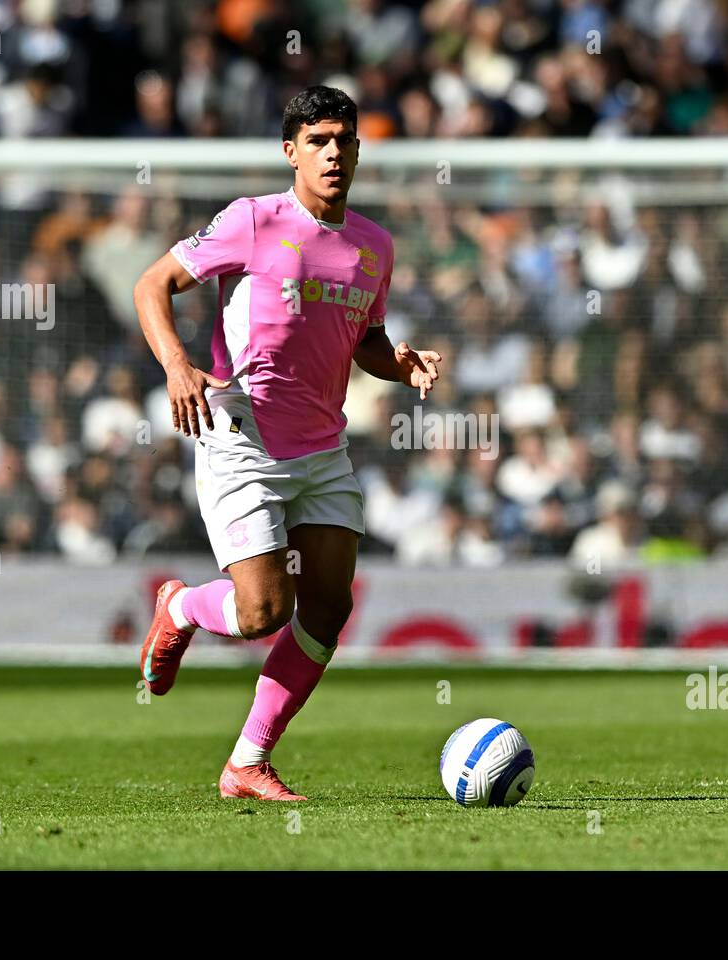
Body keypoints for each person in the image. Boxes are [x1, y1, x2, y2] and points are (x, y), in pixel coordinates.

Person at [131, 86, 442, 801]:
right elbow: (154, 285)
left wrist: (401, 363)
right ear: (291, 151)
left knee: (329, 608)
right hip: (242, 437)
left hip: (322, 448)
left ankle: (246, 762)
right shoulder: (252, 221)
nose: (335, 153)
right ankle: (179, 609)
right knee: (262, 613)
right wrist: (177, 364)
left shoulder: (374, 246)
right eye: (321, 140)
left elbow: (365, 340)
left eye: (346, 141)